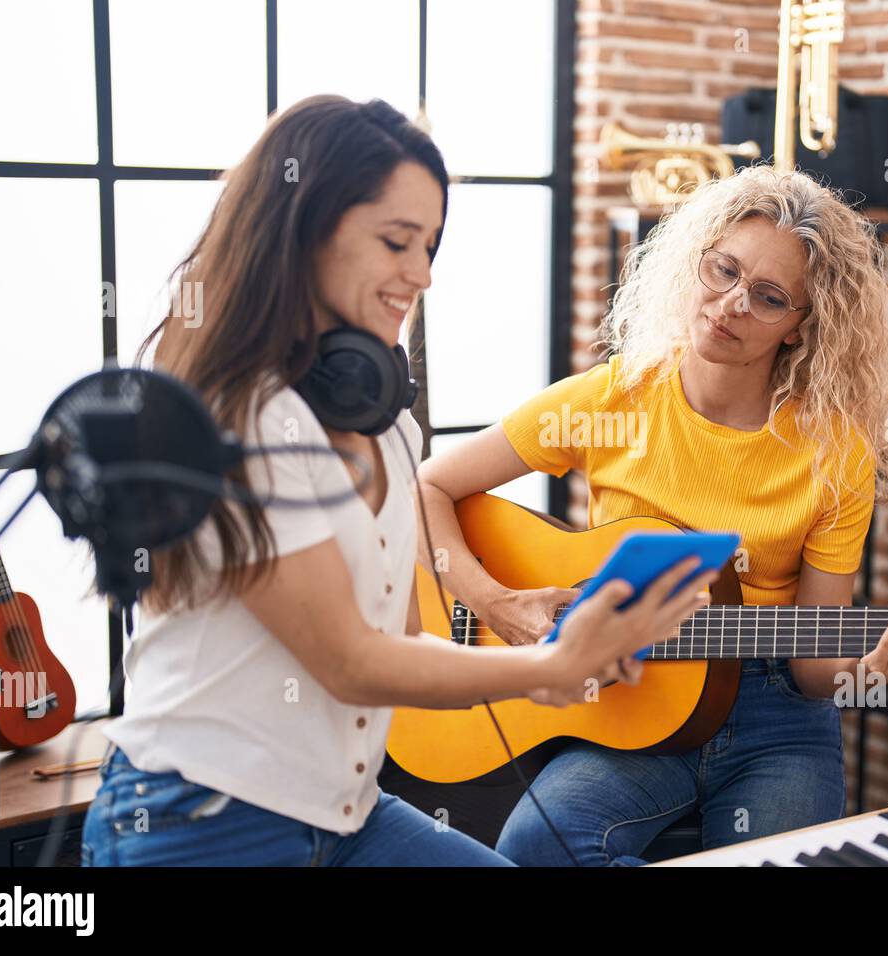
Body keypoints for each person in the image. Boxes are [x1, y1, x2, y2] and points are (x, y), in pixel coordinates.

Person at [80, 95, 711, 867]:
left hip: (346, 817)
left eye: (431, 247)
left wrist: (557, 643)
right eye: (397, 242)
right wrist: (550, 668)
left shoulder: (389, 426)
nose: (422, 275)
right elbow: (350, 659)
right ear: (304, 231)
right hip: (199, 822)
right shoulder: (239, 416)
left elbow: (403, 646)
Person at [419, 164, 888, 865]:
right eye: (722, 270)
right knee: (535, 846)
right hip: (631, 701)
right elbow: (426, 488)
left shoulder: (834, 453)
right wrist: (495, 600)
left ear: (799, 327)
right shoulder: (612, 400)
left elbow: (815, 666)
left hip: (776, 721)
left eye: (767, 297)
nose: (729, 304)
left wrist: (873, 671)